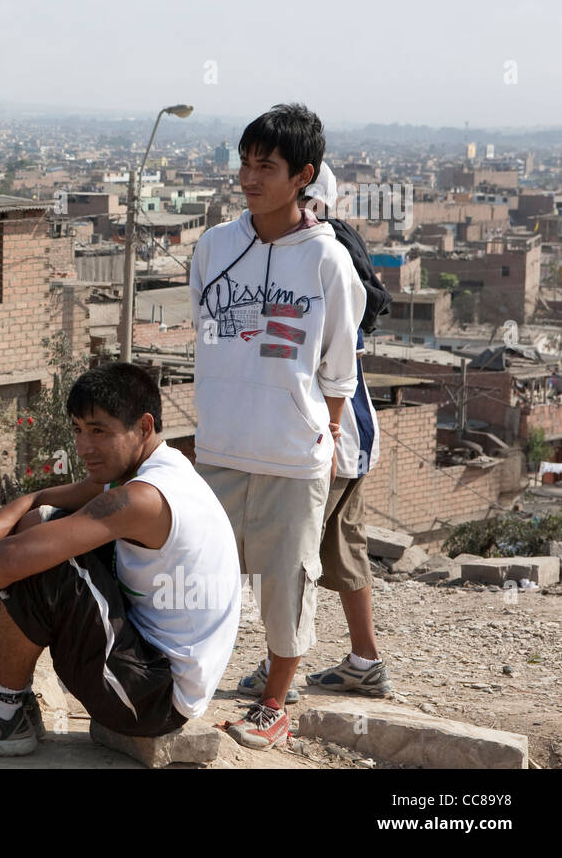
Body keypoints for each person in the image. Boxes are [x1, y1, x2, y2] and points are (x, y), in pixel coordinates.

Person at [0, 363, 240, 760]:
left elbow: (14, 559)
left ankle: (0, 710)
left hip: (152, 698)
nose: (83, 446)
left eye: (99, 431)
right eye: (78, 430)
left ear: (144, 427)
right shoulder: (155, 469)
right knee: (44, 525)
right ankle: (9, 699)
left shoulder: (145, 497)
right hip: (143, 670)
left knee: (42, 560)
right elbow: (35, 500)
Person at [189, 103, 365, 749]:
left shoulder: (327, 261)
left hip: (292, 457)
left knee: (287, 586)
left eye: (266, 166)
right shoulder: (215, 245)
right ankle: (177, 687)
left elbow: (339, 368)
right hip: (219, 447)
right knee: (194, 577)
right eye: (245, 162)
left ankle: (273, 705)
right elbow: (207, 333)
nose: (249, 177)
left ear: (303, 176)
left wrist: (324, 438)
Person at [297, 167, 393, 697]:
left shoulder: (323, 257)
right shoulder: (331, 249)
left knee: (294, 554)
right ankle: (365, 661)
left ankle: (278, 670)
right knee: (344, 548)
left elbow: (337, 358)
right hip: (352, 436)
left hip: (331, 438)